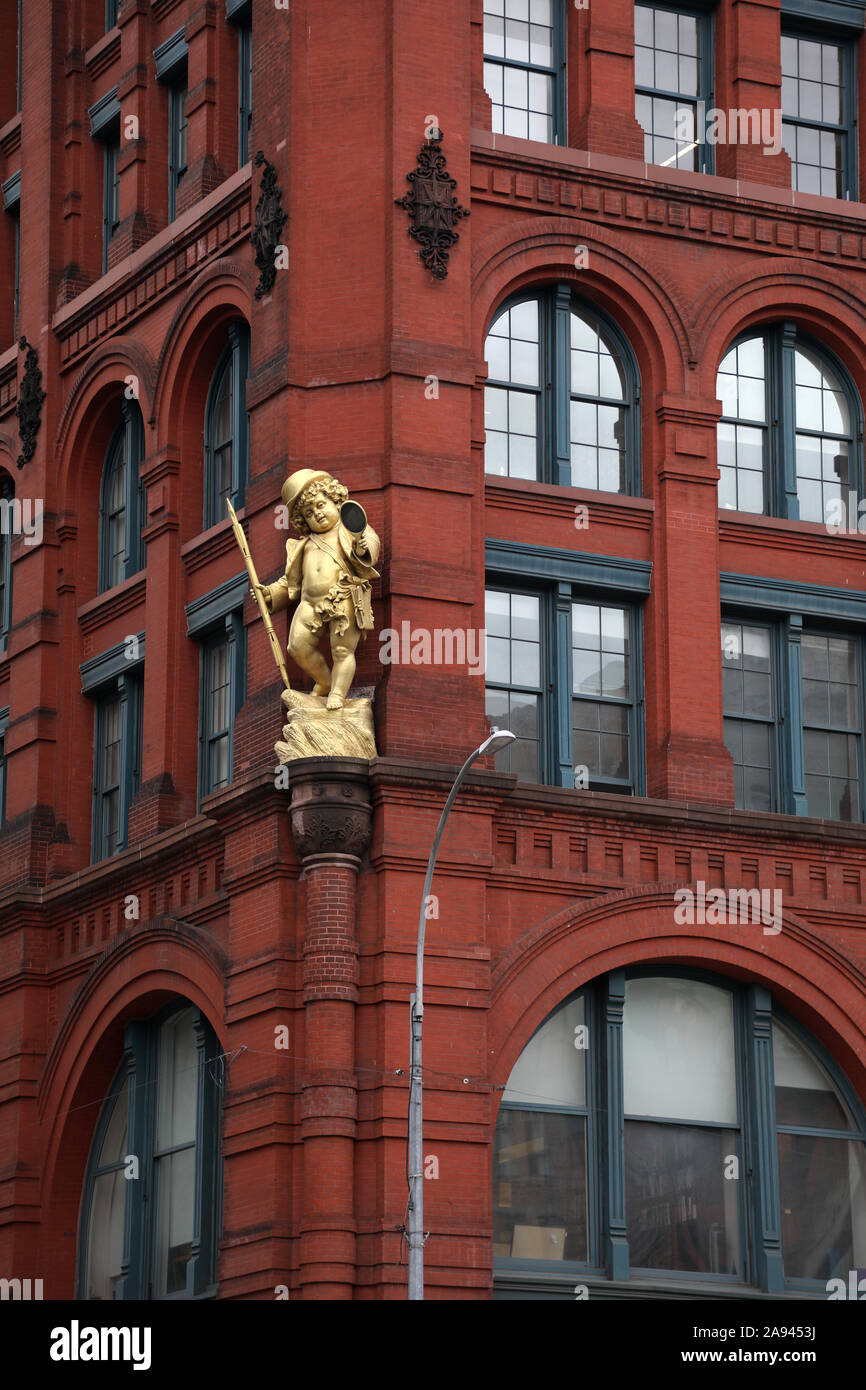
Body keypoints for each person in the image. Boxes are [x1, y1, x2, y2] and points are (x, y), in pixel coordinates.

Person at [253, 468, 380, 709]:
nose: (317, 514)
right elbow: (291, 582)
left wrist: (364, 547)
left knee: (342, 651)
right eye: (309, 512)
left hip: (343, 597)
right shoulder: (303, 546)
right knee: (296, 647)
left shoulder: (349, 530)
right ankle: (324, 681)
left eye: (320, 505)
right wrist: (270, 594)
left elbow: (370, 546)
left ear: (335, 500)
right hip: (309, 603)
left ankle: (338, 695)